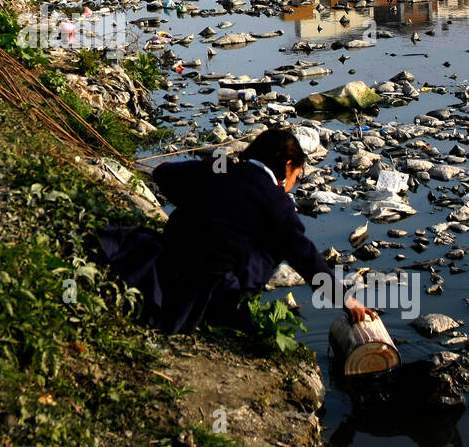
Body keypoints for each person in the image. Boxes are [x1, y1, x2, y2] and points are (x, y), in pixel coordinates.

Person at [98, 126, 373, 334]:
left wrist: (208, 190)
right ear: (288, 165)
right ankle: (228, 307)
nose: (293, 184)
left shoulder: (223, 169)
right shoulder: (277, 204)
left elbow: (164, 174)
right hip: (203, 286)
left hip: (166, 257)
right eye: (296, 177)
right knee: (274, 244)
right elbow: (307, 259)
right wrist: (346, 300)